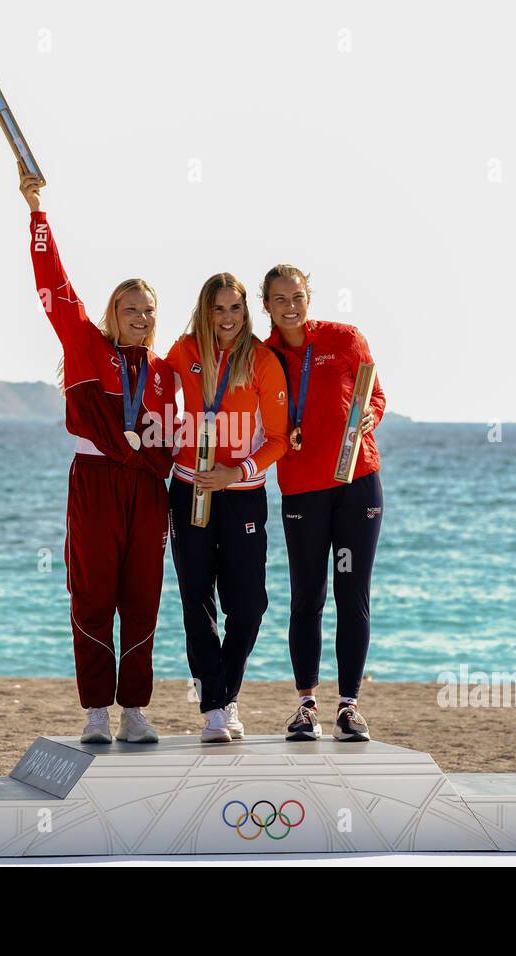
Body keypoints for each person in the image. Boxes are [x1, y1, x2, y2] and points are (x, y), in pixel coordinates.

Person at [20, 168, 176, 744]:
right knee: (91, 595)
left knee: (142, 597)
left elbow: (178, 435)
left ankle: (134, 709)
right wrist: (37, 211)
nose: (140, 317)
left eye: (149, 311)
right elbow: (52, 285)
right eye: (130, 309)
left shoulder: (164, 373)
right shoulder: (85, 345)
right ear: (112, 313)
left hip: (147, 490)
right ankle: (94, 713)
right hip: (95, 482)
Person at [262, 264, 385, 742]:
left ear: (308, 297)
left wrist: (369, 418)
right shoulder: (263, 354)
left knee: (352, 594)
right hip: (301, 489)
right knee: (307, 597)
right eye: (280, 299)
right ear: (266, 305)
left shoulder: (346, 338)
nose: (290, 307)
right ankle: (306, 706)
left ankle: (349, 706)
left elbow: (374, 394)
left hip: (357, 484)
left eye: (297, 297)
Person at [166, 274, 289, 743]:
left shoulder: (261, 360)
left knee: (250, 605)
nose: (228, 318)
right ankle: (215, 709)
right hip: (189, 488)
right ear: (205, 311)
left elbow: (277, 439)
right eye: (219, 309)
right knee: (197, 601)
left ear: (246, 310)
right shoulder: (184, 351)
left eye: (235, 308)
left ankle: (226, 693)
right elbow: (150, 383)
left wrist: (235, 473)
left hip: (242, 493)